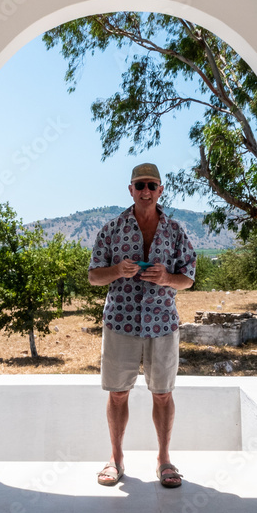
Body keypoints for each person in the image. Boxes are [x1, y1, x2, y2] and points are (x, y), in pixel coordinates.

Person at [88, 163, 196, 488]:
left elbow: (187, 279)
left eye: (151, 185)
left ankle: (164, 460)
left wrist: (166, 278)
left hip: (162, 323)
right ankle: (116, 459)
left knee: (162, 394)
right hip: (120, 321)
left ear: (160, 190)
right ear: (130, 189)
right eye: (139, 185)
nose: (145, 191)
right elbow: (94, 276)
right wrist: (117, 271)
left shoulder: (176, 232)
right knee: (118, 393)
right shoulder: (111, 230)